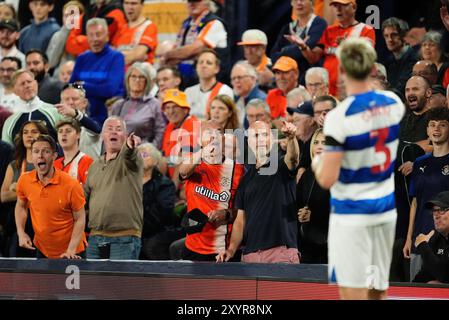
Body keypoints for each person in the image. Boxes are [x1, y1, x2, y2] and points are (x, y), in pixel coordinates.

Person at [312, 38, 405, 300]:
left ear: (342, 71)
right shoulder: (393, 103)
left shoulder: (339, 118)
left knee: (353, 295)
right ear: (372, 69)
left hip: (352, 217)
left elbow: (327, 178)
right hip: (385, 212)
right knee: (377, 292)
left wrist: (319, 161)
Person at [216, 120, 300, 264]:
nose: (260, 139)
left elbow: (293, 158)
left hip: (280, 253)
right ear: (248, 141)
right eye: (255, 135)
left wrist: (292, 138)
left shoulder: (280, 165)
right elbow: (240, 220)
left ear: (272, 139)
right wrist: (231, 249)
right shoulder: (246, 178)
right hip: (251, 255)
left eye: (264, 135)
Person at [179, 120, 245, 261]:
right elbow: (183, 172)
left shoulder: (237, 170)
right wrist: (203, 151)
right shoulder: (194, 163)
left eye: (219, 132)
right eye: (209, 132)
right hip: (192, 247)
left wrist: (226, 214)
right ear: (199, 139)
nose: (214, 136)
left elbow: (242, 213)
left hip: (222, 251)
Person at [15, 134, 86, 259]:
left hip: (71, 252)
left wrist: (71, 250)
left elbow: (80, 218)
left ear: (54, 156)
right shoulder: (24, 180)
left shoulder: (71, 184)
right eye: (36, 151)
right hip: (42, 250)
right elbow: (21, 206)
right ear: (32, 156)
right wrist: (21, 233)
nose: (40, 155)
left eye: (46, 151)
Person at [287, 0, 375, 98]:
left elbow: (366, 62)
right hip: (327, 92)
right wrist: (303, 46)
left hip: (351, 90)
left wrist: (347, 46)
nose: (338, 10)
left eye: (343, 6)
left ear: (353, 8)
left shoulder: (366, 30)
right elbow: (313, 58)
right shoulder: (329, 31)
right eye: (336, 6)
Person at [84, 116, 143, 260]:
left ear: (125, 135)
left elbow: (129, 154)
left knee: (120, 282)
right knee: (93, 282)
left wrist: (130, 146)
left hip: (124, 238)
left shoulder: (132, 158)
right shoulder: (94, 165)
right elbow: (84, 198)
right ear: (102, 135)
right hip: (95, 236)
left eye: (119, 129)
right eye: (109, 129)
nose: (114, 132)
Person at [403, 107, 449, 282]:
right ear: (428, 130)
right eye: (432, 125)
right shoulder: (419, 163)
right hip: (420, 239)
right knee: (417, 288)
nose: (437, 129)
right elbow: (415, 202)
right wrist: (409, 238)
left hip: (443, 241)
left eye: (442, 125)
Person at [1, 120, 48, 257]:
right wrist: (29, 191)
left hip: (43, 224)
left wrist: (18, 188)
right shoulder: (15, 164)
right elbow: (3, 196)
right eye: (25, 132)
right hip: (18, 225)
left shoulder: (49, 163)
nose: (29, 135)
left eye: (34, 132)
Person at [70, 17, 125, 125]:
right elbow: (72, 86)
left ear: (107, 36)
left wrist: (83, 85)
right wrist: (98, 87)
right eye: (91, 35)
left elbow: (110, 90)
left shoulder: (116, 57)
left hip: (107, 119)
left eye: (98, 34)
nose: (95, 39)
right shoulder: (82, 58)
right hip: (81, 117)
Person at [162, 0, 229, 87]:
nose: (192, 4)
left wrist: (167, 55)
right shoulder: (186, 23)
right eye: (189, 1)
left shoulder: (214, 23)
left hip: (209, 83)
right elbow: (180, 51)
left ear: (208, 2)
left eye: (197, 1)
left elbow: (193, 50)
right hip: (186, 79)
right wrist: (174, 55)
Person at [138, 142, 180, 260]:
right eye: (139, 154)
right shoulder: (129, 182)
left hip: (154, 232)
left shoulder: (165, 184)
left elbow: (163, 216)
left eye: (145, 154)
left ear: (156, 160)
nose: (142, 156)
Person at [110, 62, 166, 148]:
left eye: (141, 77)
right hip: (120, 152)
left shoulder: (155, 105)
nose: (137, 80)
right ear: (128, 80)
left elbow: (160, 132)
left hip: (143, 153)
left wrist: (149, 152)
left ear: (146, 81)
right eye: (133, 76)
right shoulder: (118, 105)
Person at [272, 0, 327, 86]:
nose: (299, 3)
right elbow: (273, 56)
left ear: (312, 2)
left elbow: (307, 49)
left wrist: (284, 50)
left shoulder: (320, 24)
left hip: (310, 80)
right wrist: (297, 49)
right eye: (295, 0)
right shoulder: (287, 28)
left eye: (303, 0)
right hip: (289, 80)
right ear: (291, 3)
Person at [2, 70, 63, 145]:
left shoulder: (55, 112)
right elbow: (6, 153)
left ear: (36, 84)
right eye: (22, 83)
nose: (27, 86)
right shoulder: (9, 122)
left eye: (29, 82)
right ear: (15, 90)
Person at [296, 128, 330, 263]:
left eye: (324, 142)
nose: (319, 146)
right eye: (316, 142)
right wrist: (300, 213)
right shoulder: (307, 175)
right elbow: (297, 203)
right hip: (306, 246)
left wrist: (314, 215)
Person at [161, 89, 199, 185]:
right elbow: (165, 157)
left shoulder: (192, 125)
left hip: (190, 180)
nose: (171, 111)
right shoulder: (170, 126)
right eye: (167, 107)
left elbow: (184, 162)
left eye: (175, 107)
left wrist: (172, 191)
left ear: (185, 109)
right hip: (172, 177)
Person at [55, 83, 102, 160]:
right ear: (61, 103)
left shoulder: (91, 125)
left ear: (85, 103)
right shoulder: (58, 128)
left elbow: (97, 129)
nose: (70, 102)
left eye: (75, 99)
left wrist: (75, 113)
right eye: (66, 99)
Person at [185, 49, 233, 120]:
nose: (204, 65)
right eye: (201, 62)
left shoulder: (224, 91)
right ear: (196, 67)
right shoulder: (188, 91)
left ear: (216, 68)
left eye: (209, 63)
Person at [413, 191, 449, 284]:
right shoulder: (437, 238)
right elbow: (426, 272)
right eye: (434, 210)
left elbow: (444, 276)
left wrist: (422, 245)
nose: (436, 215)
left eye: (441, 210)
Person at [112, 0, 158, 66]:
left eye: (133, 3)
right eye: (126, 3)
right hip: (121, 74)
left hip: (138, 75)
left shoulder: (149, 27)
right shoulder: (121, 27)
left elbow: (137, 55)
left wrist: (118, 56)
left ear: (142, 5)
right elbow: (111, 54)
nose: (129, 7)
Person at [381, 17, 418, 94]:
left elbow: (402, 88)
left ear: (403, 35)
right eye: (386, 36)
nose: (390, 39)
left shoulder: (414, 58)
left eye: (394, 35)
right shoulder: (388, 61)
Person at [54, 119, 93, 185]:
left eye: (68, 131)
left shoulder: (87, 162)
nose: (63, 134)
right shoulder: (54, 164)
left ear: (78, 134)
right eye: (60, 131)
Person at [266, 56, 299, 130]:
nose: (281, 77)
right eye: (278, 73)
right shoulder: (271, 95)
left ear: (296, 74)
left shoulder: (303, 96)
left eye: (285, 72)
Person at [231, 61, 266, 128]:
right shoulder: (235, 99)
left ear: (253, 79)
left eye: (239, 77)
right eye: (233, 78)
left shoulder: (261, 100)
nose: (236, 81)